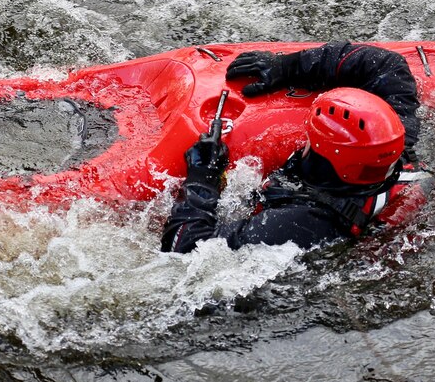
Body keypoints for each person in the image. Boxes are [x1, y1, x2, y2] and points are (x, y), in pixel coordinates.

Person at [160, 41, 421, 253]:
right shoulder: (390, 144)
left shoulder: (299, 224)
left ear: (326, 158)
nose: (305, 140)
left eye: (311, 138)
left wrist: (202, 180)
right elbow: (386, 65)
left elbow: (185, 249)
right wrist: (286, 66)